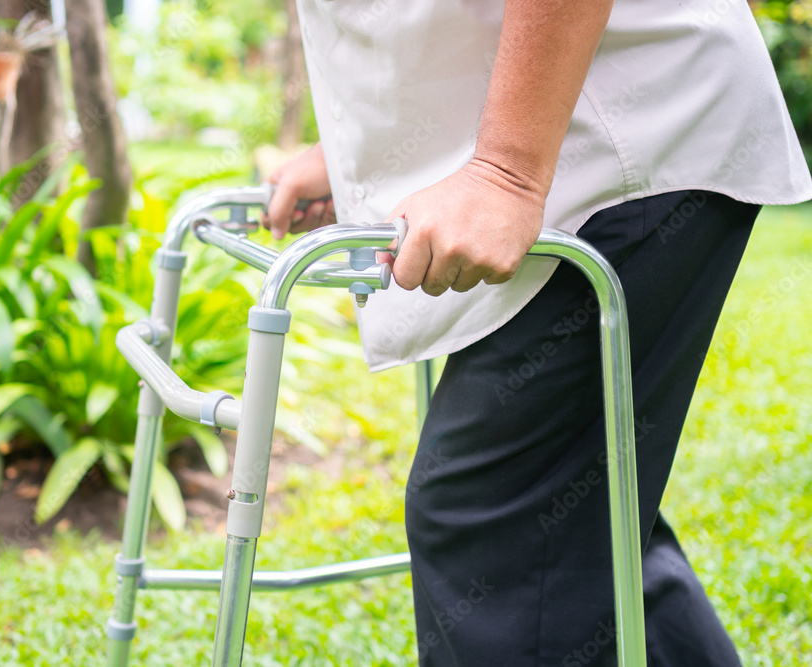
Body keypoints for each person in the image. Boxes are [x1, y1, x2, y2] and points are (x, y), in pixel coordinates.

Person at [263, 1, 811, 665]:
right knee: (579, 508)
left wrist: (508, 170)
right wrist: (355, 150)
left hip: (626, 138)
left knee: (496, 521)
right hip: (601, 132)